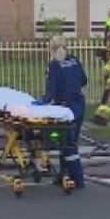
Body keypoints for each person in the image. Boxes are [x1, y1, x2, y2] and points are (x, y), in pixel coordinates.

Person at [36, 36, 88, 188]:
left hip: (66, 107)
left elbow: (51, 90)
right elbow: (84, 80)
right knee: (68, 141)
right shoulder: (75, 60)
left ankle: (77, 179)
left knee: (68, 144)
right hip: (79, 104)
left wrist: (42, 103)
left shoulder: (54, 65)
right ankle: (64, 175)